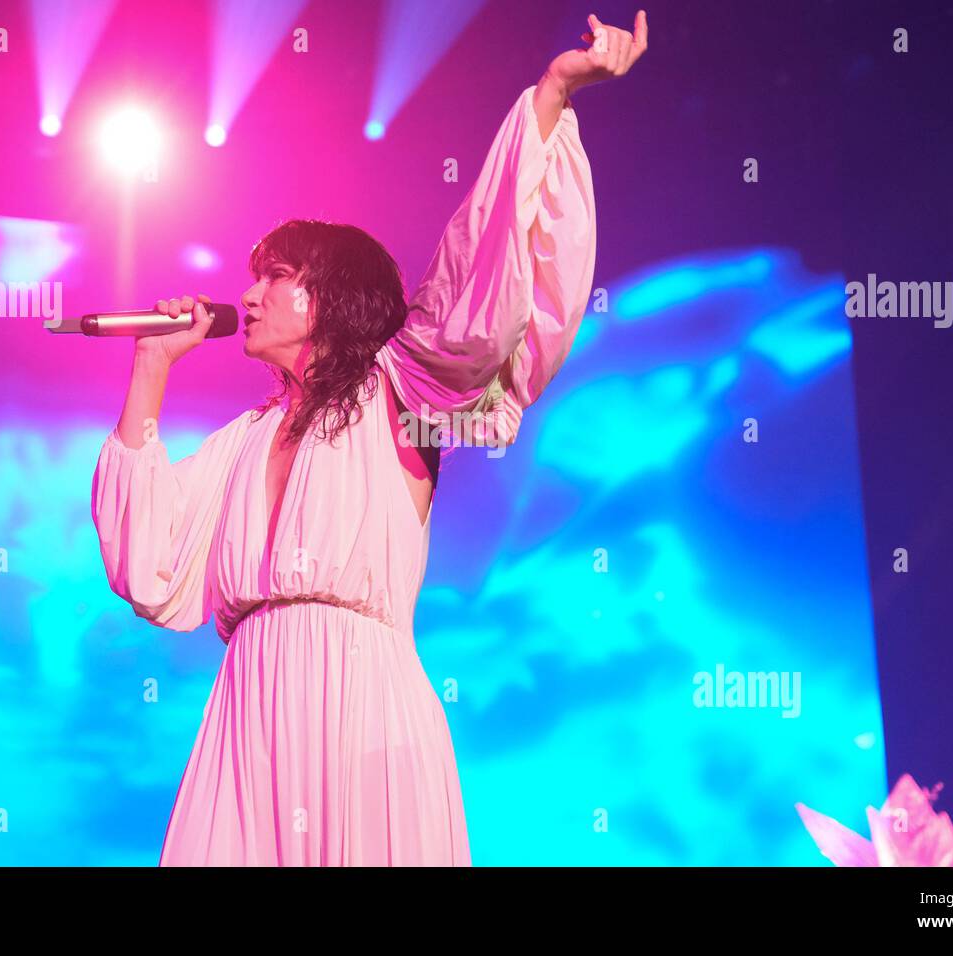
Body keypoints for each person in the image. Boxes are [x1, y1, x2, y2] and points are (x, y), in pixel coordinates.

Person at [91, 12, 648, 866]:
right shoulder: (244, 441)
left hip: (360, 707)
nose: (253, 293)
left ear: (330, 299)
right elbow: (145, 561)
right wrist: (152, 367)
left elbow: (480, 279)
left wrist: (552, 93)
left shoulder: (403, 385)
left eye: (276, 276)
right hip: (249, 714)